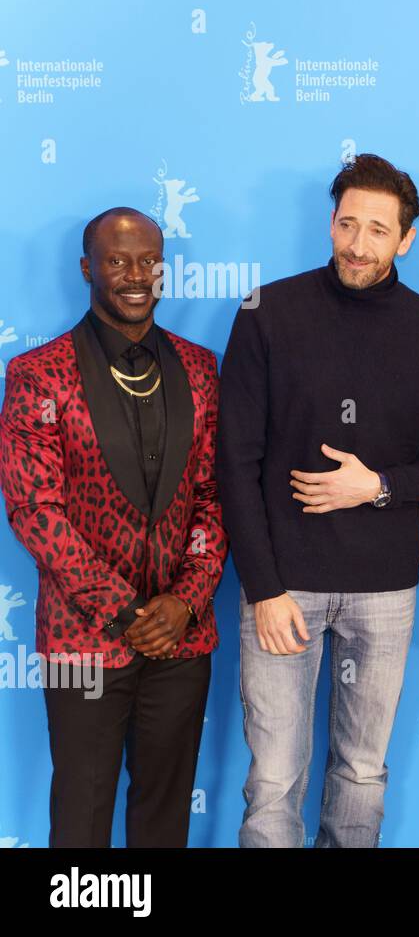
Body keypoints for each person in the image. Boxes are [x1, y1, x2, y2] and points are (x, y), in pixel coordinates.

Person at [217, 154, 419, 847]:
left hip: (385, 588)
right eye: (348, 223)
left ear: (407, 239)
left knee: (362, 772)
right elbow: (234, 461)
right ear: (330, 223)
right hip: (284, 587)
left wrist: (378, 487)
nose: (359, 243)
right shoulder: (268, 310)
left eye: (379, 230)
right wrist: (264, 589)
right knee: (273, 777)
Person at [0, 207, 226, 847]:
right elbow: (35, 513)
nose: (135, 274)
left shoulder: (201, 368)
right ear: (87, 268)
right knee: (82, 810)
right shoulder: (37, 374)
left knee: (164, 812)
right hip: (82, 642)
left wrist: (184, 601)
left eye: (149, 260)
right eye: (117, 260)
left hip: (183, 639)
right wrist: (127, 614)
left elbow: (214, 496)